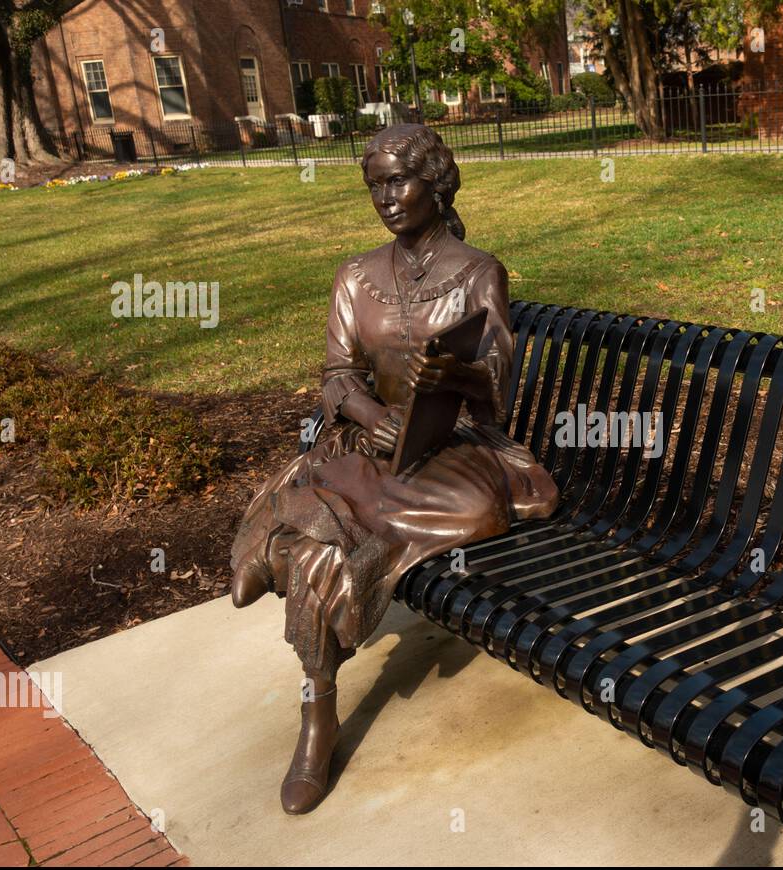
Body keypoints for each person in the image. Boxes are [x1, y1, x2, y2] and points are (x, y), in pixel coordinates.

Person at [229, 124, 559, 814]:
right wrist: (366, 411)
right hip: (372, 445)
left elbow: (501, 390)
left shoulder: (477, 272)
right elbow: (334, 375)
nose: (385, 197)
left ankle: (324, 530)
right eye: (374, 184)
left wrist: (457, 373)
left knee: (477, 510)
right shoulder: (356, 276)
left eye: (398, 181)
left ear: (436, 181)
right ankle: (317, 717)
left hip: (456, 446)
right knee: (325, 553)